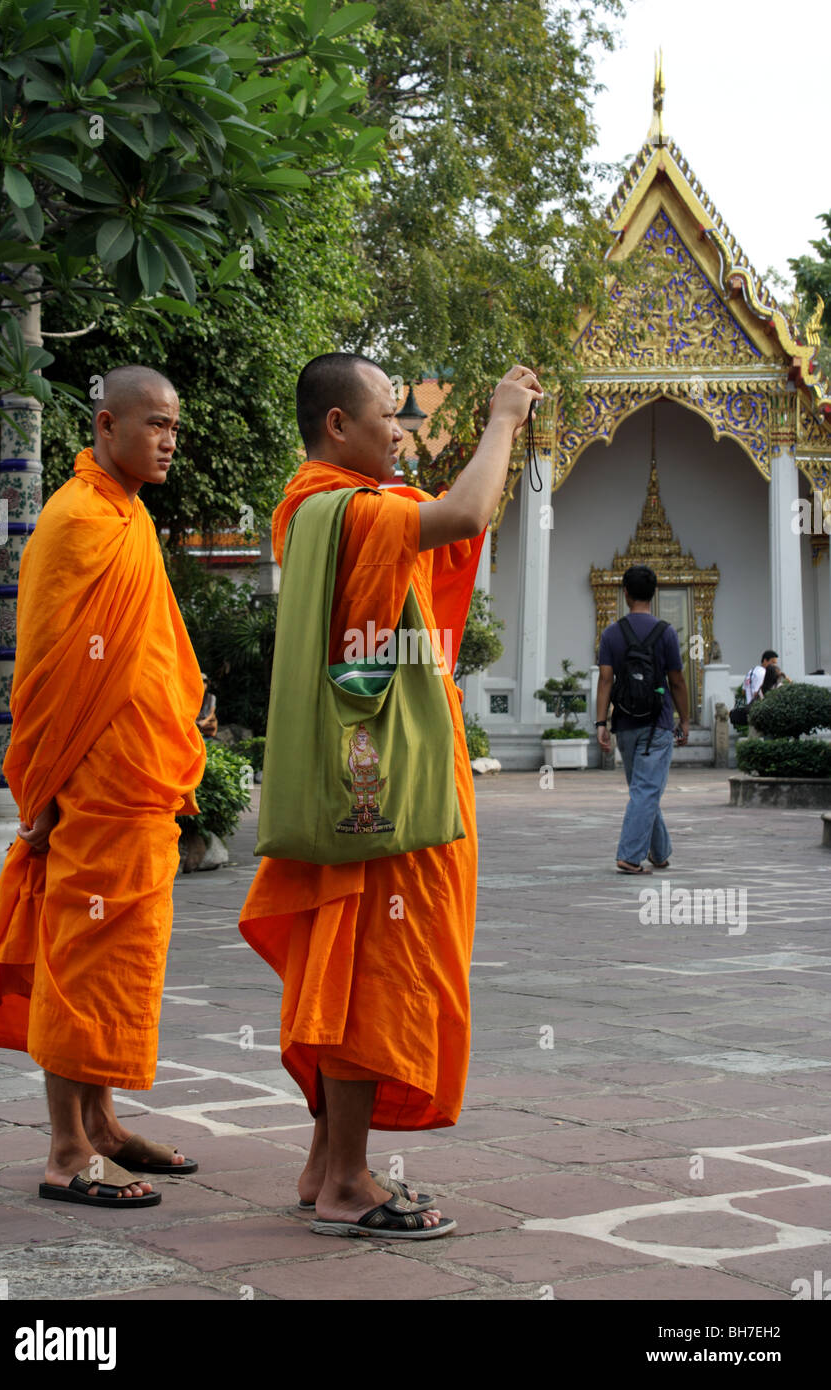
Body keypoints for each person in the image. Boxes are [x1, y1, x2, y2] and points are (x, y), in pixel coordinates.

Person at [239, 354, 542, 1239]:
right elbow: (466, 513)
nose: (401, 429)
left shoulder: (324, 512)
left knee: (349, 962)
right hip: (384, 787)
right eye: (387, 415)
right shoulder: (343, 509)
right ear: (338, 426)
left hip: (368, 774)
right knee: (375, 970)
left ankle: (324, 1164)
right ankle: (346, 1183)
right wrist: (501, 420)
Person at [0, 365, 206, 1207]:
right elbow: (44, 671)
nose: (168, 441)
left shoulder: (128, 518)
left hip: (139, 779)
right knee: (82, 956)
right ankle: (68, 1151)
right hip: (95, 784)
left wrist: (182, 701)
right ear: (106, 426)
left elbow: (143, 643)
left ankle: (105, 1124)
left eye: (174, 428)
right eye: (153, 425)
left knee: (119, 964)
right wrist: (45, 785)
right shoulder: (75, 520)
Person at [595, 564, 690, 874]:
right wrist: (684, 719)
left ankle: (660, 852)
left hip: (625, 724)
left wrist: (601, 723)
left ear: (625, 593)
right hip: (657, 724)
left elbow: (605, 680)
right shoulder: (666, 633)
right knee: (646, 790)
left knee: (643, 789)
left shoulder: (611, 633)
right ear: (655, 593)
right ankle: (630, 856)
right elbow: (676, 681)